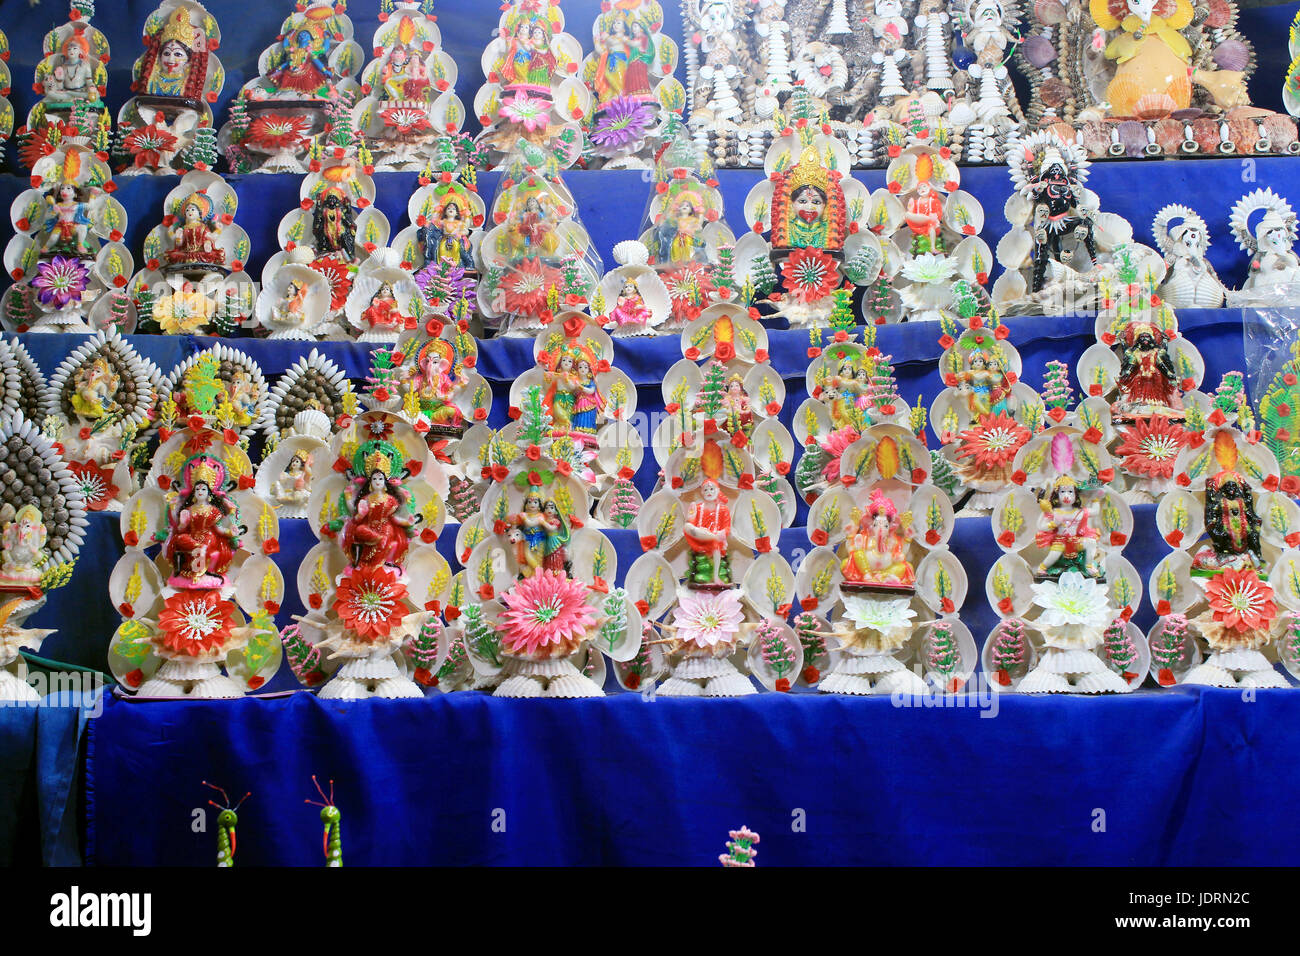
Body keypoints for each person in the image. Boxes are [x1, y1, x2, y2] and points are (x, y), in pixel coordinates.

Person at [165, 460, 240, 588]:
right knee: (179, 538)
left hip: (209, 537)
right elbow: (181, 529)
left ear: (208, 494)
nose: (200, 491)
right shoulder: (188, 510)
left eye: (204, 489)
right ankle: (195, 557)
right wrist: (182, 523)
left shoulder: (213, 510)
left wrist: (230, 532)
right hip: (191, 536)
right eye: (198, 489)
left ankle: (198, 573)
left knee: (202, 547)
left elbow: (219, 529)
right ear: (194, 493)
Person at [340, 455, 416, 571]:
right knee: (359, 530)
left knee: (385, 537)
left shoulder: (390, 500)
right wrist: (352, 503)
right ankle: (366, 561)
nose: (377, 481)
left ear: (385, 482)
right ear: (370, 482)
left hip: (386, 527)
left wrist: (407, 522)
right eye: (374, 479)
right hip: (368, 527)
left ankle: (376, 565)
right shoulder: (365, 499)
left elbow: (394, 518)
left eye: (380, 479)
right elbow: (357, 518)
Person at [840, 488, 915, 587]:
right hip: (866, 571)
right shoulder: (865, 538)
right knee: (848, 561)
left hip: (887, 569)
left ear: (890, 527)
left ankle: (883, 577)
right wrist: (851, 535)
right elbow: (851, 550)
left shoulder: (892, 541)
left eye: (885, 526)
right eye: (876, 525)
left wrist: (907, 539)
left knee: (906, 567)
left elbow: (902, 553)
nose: (881, 529)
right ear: (871, 525)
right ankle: (867, 575)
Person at [1034, 476, 1102, 578]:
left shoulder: (1079, 511)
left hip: (1076, 540)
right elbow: (1041, 526)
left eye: (1070, 492)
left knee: (1091, 542)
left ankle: (1089, 566)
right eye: (1062, 492)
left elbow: (1095, 511)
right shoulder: (1055, 511)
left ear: (1075, 495)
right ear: (1057, 494)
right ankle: (1042, 568)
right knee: (1053, 555)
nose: (1066, 496)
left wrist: (1095, 498)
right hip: (1061, 541)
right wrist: (1053, 524)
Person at [685, 478, 732, 586]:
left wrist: (721, 533)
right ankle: (712, 536)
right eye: (706, 490)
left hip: (716, 540)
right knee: (687, 526)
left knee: (715, 544)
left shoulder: (723, 509)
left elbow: (727, 528)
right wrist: (690, 517)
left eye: (712, 489)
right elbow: (691, 524)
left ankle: (716, 577)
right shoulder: (697, 507)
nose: (709, 492)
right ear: (702, 492)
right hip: (700, 538)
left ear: (718, 490)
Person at [167, 193, 224, 266]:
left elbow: (212, 237)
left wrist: (218, 230)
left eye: (193, 209)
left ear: (199, 212)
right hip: (186, 253)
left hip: (200, 252)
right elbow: (179, 244)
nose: (190, 212)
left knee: (211, 255)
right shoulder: (183, 229)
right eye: (187, 210)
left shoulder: (203, 227)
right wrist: (177, 237)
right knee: (173, 255)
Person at [42, 184, 94, 258]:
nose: (64, 191)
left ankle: (80, 244)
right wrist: (53, 211)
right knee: (53, 238)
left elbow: (91, 206)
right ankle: (46, 247)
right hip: (60, 226)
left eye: (68, 188)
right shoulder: (58, 205)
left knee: (83, 227)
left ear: (75, 194)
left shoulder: (77, 205)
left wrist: (93, 195)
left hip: (72, 226)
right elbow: (47, 217)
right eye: (62, 188)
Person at [419, 199, 474, 269]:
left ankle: (466, 263)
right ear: (445, 212)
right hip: (444, 240)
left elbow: (466, 231)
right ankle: (442, 266)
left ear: (457, 213)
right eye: (448, 209)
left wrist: (466, 219)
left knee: (459, 250)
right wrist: (436, 211)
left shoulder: (459, 222)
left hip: (455, 240)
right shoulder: (443, 222)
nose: (451, 210)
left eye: (453, 209)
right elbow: (434, 221)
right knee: (440, 250)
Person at [541, 499, 570, 573]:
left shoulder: (556, 521)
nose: (549, 510)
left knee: (555, 555)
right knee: (548, 557)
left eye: (551, 507)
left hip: (554, 540)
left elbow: (551, 528)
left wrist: (542, 522)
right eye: (546, 508)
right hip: (547, 541)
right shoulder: (545, 520)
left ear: (556, 510)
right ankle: (548, 572)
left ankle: (557, 571)